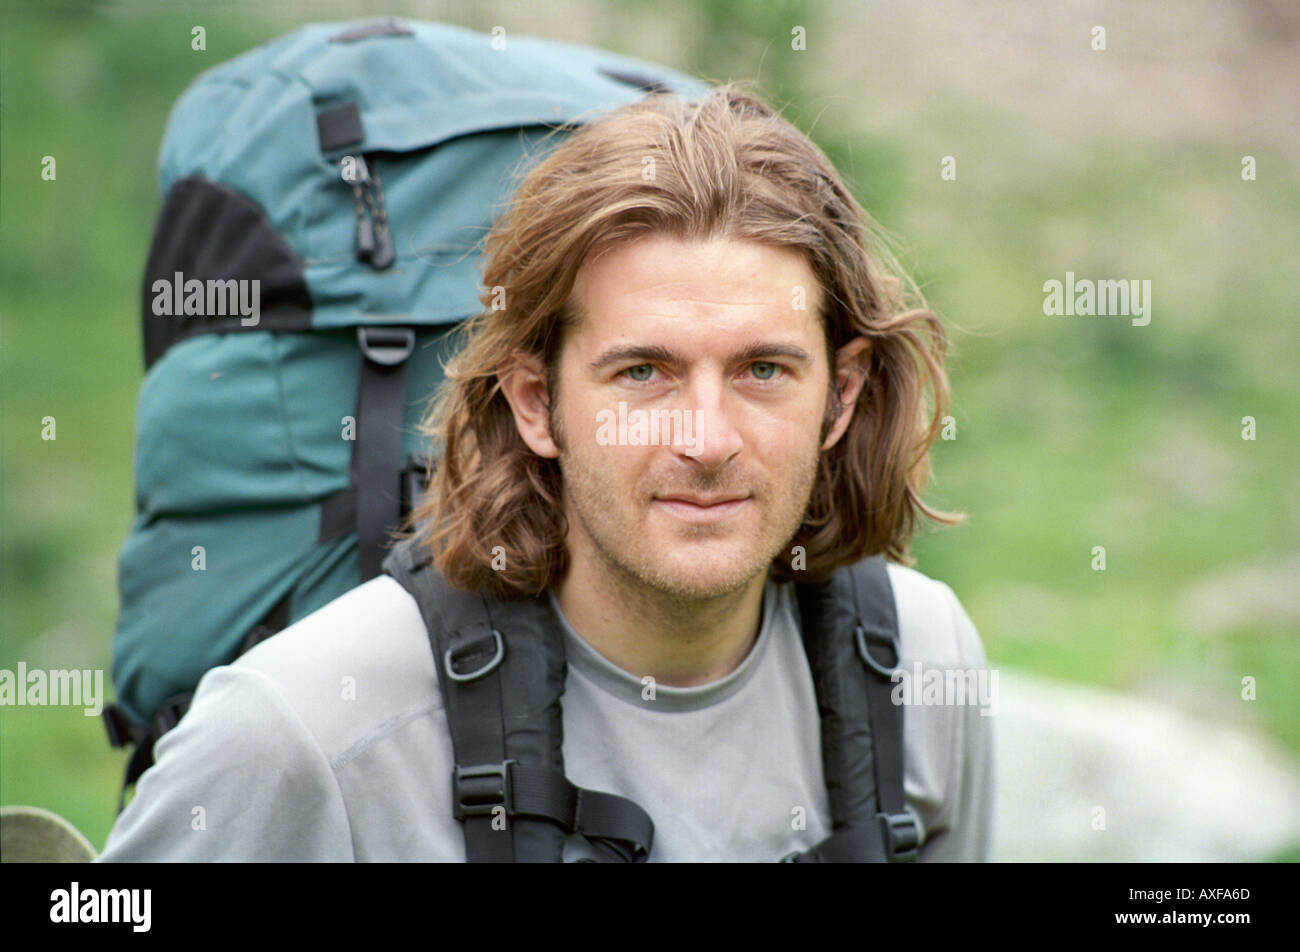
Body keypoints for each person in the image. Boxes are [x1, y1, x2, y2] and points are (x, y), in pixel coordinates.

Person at [96, 83, 994, 863]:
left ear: (840, 398)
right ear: (536, 403)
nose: (709, 438)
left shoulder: (921, 664)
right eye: (644, 372)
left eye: (764, 370)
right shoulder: (298, 731)